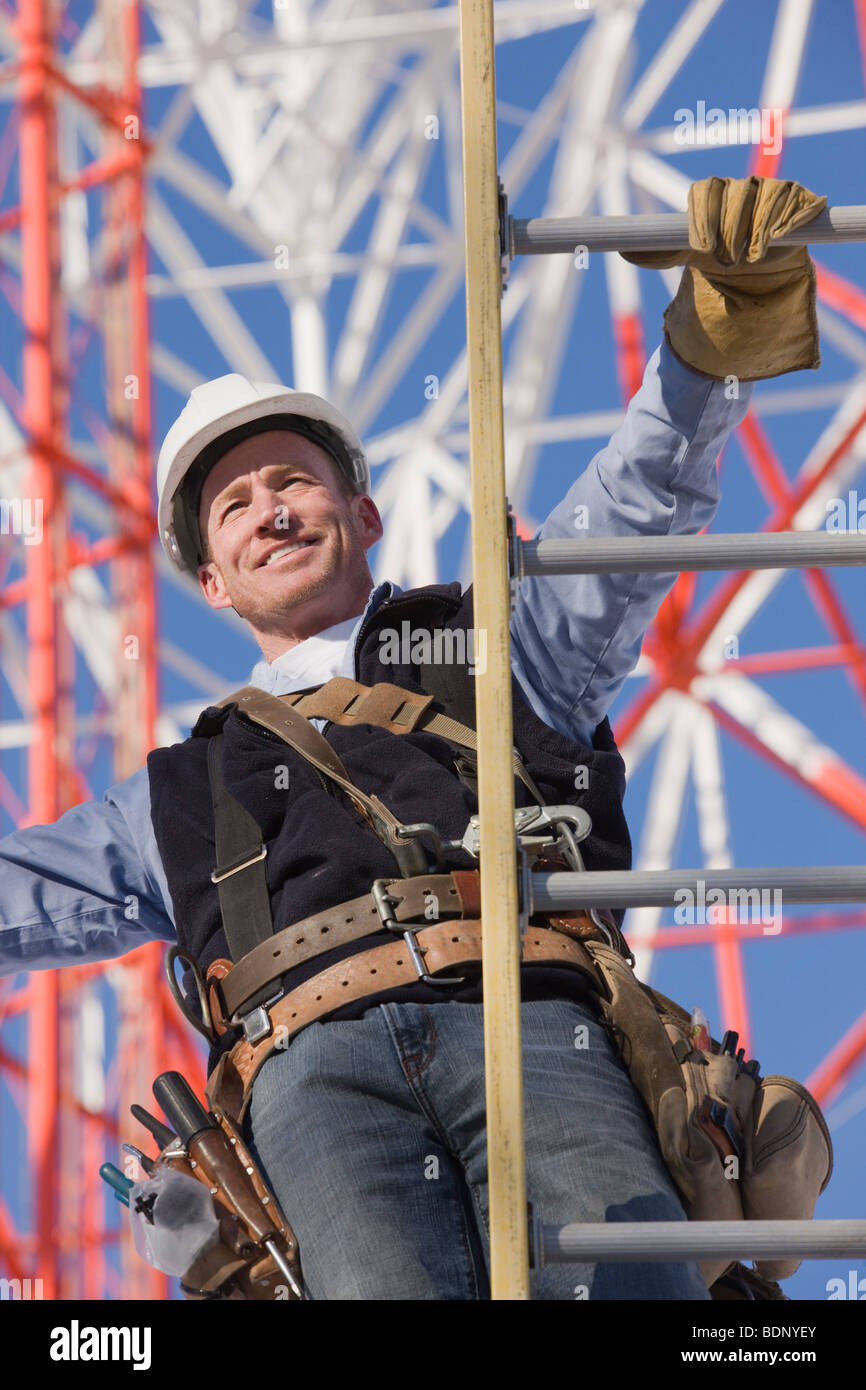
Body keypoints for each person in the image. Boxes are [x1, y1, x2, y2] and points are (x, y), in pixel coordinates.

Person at [0, 176, 825, 1300]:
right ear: (211, 578)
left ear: (363, 514)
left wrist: (707, 350)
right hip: (310, 1075)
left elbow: (628, 512)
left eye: (292, 481)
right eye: (234, 507)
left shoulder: (500, 642)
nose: (270, 511)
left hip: (531, 1014)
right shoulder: (175, 793)